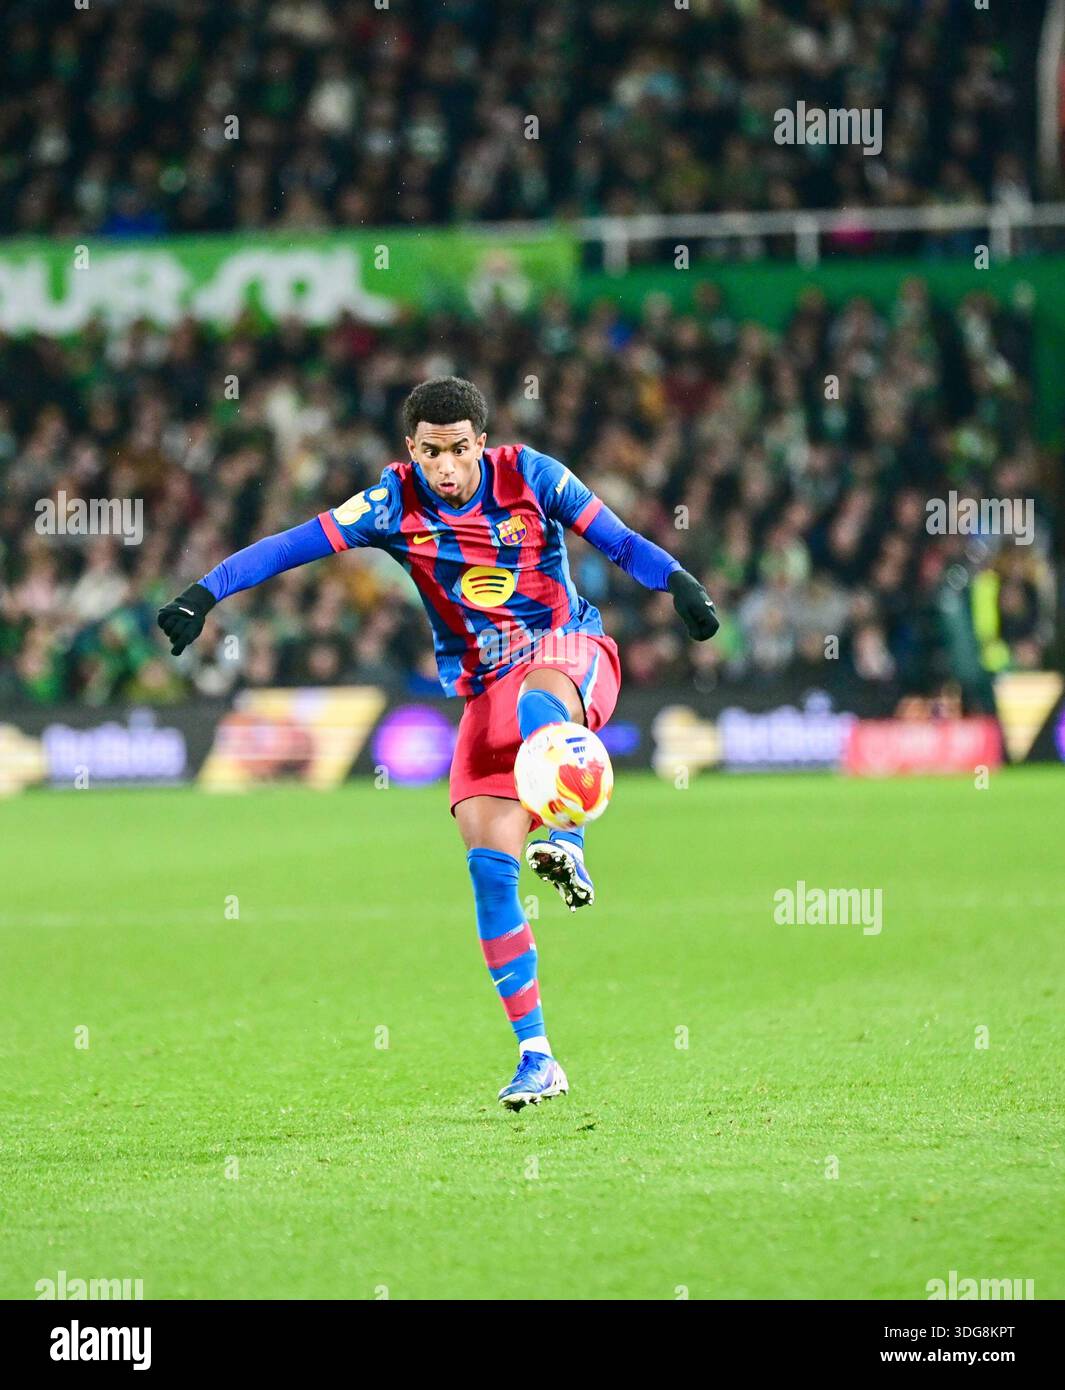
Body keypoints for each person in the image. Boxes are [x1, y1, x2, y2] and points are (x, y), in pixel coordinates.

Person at [159, 377, 718, 1108]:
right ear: (410, 449)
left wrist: (679, 585)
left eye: (458, 450)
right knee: (489, 872)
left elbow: (616, 540)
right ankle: (537, 1055)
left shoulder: (532, 476)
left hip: (569, 651)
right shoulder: (391, 502)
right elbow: (287, 548)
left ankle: (569, 836)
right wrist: (202, 594)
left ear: (481, 443)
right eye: (431, 452)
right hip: (483, 690)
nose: (446, 468)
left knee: (538, 700)